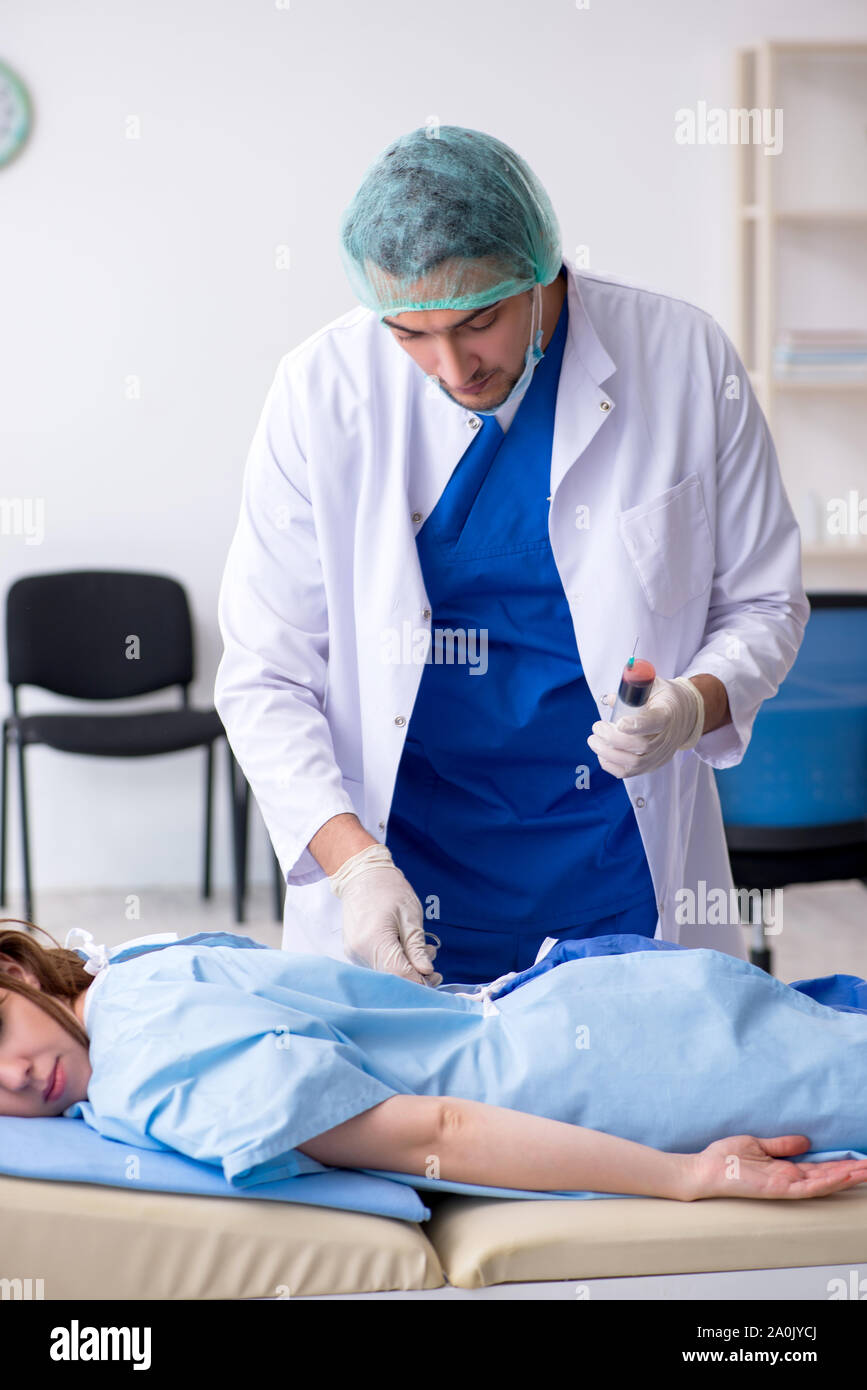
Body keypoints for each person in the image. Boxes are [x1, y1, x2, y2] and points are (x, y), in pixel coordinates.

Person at [214, 125, 808, 985]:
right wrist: (351, 866)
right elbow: (265, 673)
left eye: (477, 322)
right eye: (408, 333)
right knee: (430, 1114)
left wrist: (689, 705)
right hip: (403, 869)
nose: (450, 365)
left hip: (616, 862)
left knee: (638, 1106)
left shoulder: (681, 356)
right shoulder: (322, 390)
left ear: (539, 268)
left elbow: (762, 604)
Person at [2, 919, 866, 1204]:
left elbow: (436, 1130)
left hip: (616, 1083)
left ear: (14, 972)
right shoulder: (135, 966)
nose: (13, 1078)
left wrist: (685, 1178)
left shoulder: (145, 1067)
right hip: (604, 1002)